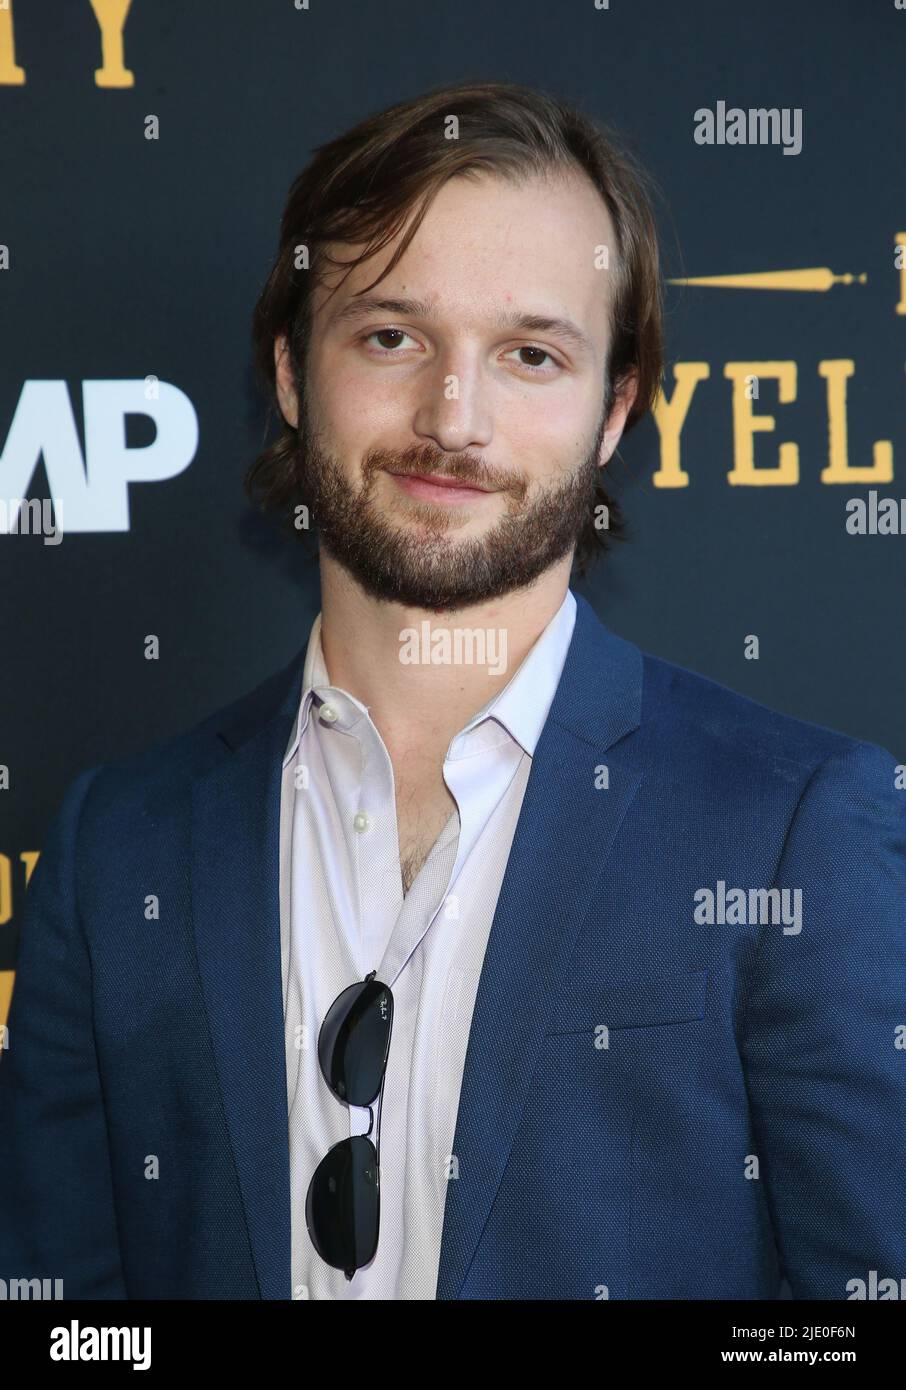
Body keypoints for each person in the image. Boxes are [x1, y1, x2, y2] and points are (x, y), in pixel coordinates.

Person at [1, 81, 903, 1301]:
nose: (452, 415)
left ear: (613, 412)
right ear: (288, 370)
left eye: (531, 353)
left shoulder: (797, 831)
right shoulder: (118, 852)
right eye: (391, 336)